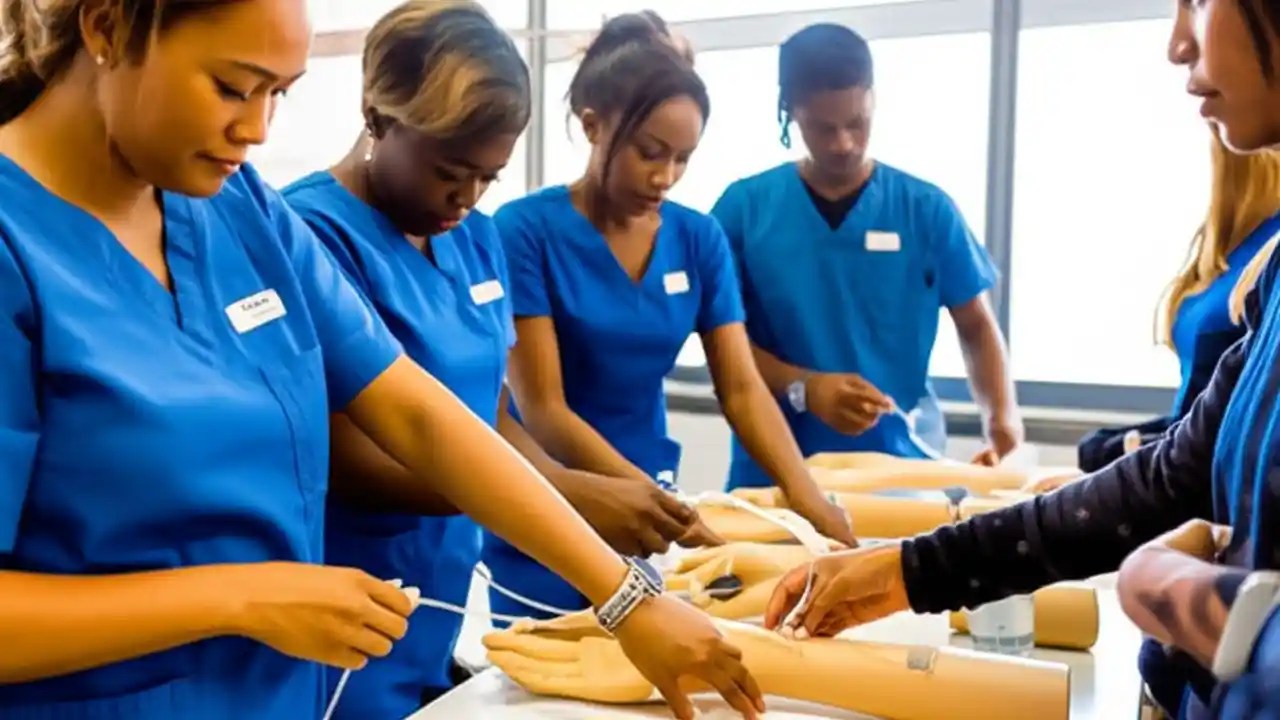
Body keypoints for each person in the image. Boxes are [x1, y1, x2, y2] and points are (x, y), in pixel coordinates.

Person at [0, 2, 766, 719]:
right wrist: (241, 597)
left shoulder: (239, 213)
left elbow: (416, 410)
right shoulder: (18, 247)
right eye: (232, 87)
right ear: (106, 27)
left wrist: (625, 596)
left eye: (280, 95)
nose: (258, 128)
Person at [764, 0, 1280, 716]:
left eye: (1197, 0)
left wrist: (1176, 590)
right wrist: (904, 570)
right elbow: (1178, 472)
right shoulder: (1275, 284)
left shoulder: (923, 207)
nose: (1176, 43)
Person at [282, 4, 709, 716]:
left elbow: (494, 414)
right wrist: (565, 496)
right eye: (450, 171)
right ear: (378, 115)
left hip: (442, 586)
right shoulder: (310, 235)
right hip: (347, 594)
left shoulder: (475, 241)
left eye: (489, 177)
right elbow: (348, 455)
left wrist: (570, 481)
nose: (467, 197)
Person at [490, 10, 855, 620]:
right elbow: (546, 410)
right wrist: (646, 500)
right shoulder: (525, 232)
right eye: (650, 153)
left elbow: (741, 388)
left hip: (653, 512)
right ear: (592, 126)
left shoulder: (697, 239)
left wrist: (807, 498)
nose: (666, 177)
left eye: (683, 158)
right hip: (555, 508)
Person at [710, 23, 1022, 492]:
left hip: (904, 470)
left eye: (856, 123)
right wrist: (804, 387)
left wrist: (1003, 426)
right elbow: (721, 341)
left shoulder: (925, 209)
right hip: (777, 472)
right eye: (823, 127)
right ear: (790, 112)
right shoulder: (744, 210)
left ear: (873, 100)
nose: (843, 144)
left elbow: (976, 325)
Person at [1077, 129, 1280, 473]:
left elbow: (1229, 430)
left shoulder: (1267, 253)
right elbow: (1196, 412)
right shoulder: (1231, 247)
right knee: (1092, 449)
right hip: (1184, 459)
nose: (1194, 84)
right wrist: (1117, 448)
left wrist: (1125, 452)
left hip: (1200, 476)